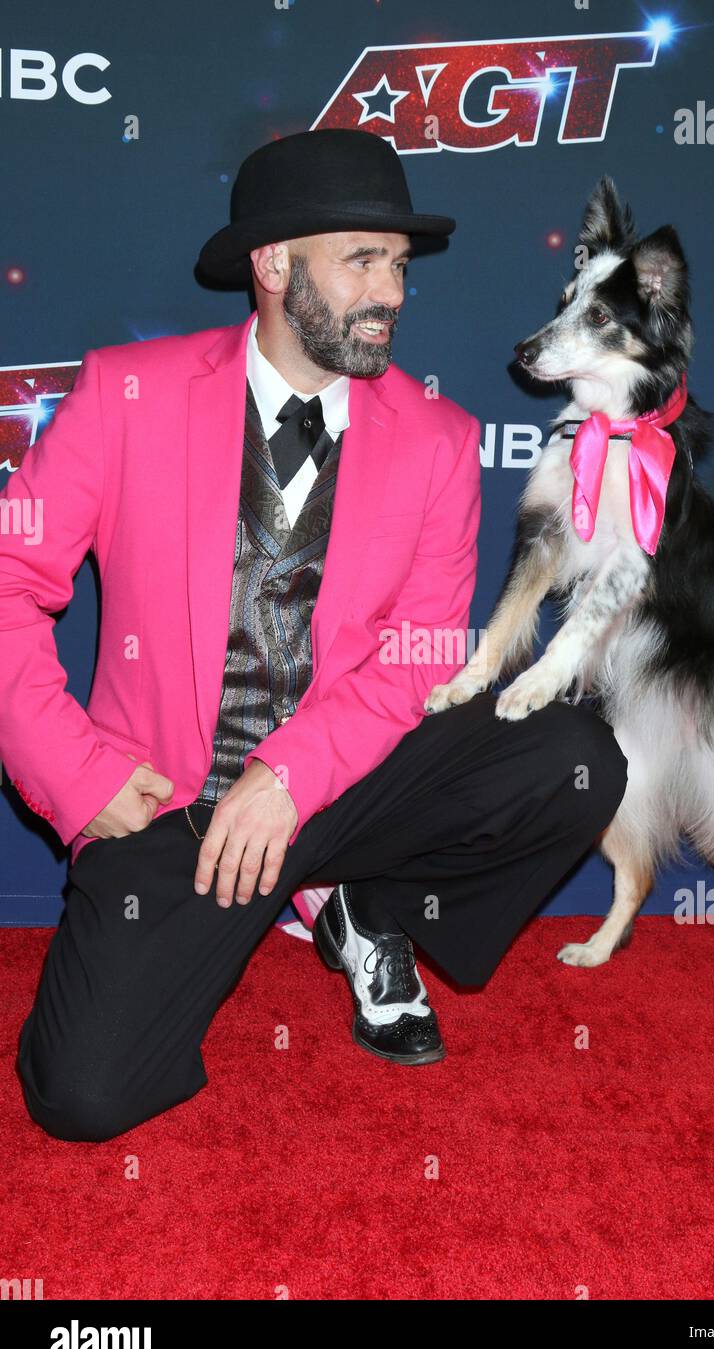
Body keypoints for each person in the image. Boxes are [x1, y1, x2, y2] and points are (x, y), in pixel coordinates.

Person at [2, 128, 628, 1143]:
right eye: (362, 260)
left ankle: (368, 902)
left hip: (338, 789)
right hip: (172, 807)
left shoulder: (438, 440)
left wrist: (288, 778)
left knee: (573, 756)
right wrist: (79, 778)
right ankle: (296, 899)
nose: (391, 291)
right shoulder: (126, 397)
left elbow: (417, 657)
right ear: (272, 263)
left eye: (399, 266)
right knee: (82, 1097)